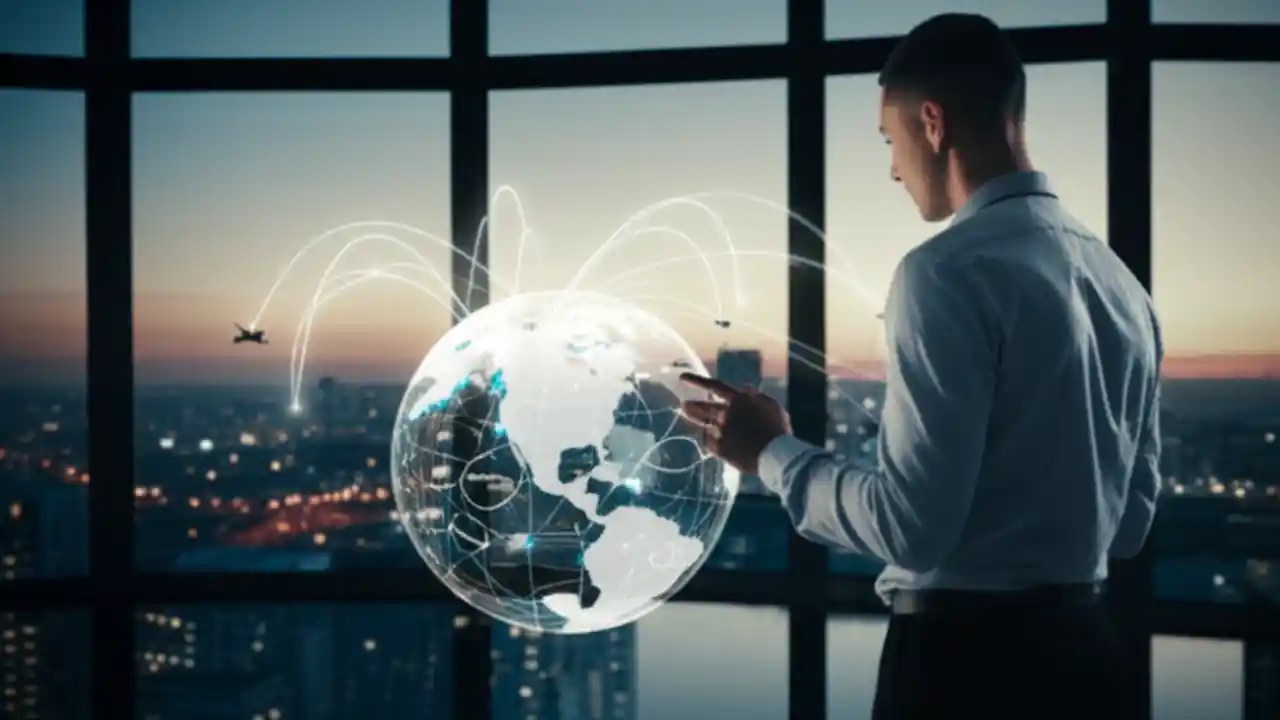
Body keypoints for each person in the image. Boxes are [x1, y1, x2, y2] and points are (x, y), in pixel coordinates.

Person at [679, 13, 1162, 720]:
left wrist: (770, 452)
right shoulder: (1121, 284)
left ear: (932, 124)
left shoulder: (947, 273)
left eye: (890, 139)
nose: (894, 169)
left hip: (965, 671)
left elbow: (912, 530)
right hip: (1089, 660)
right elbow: (1129, 528)